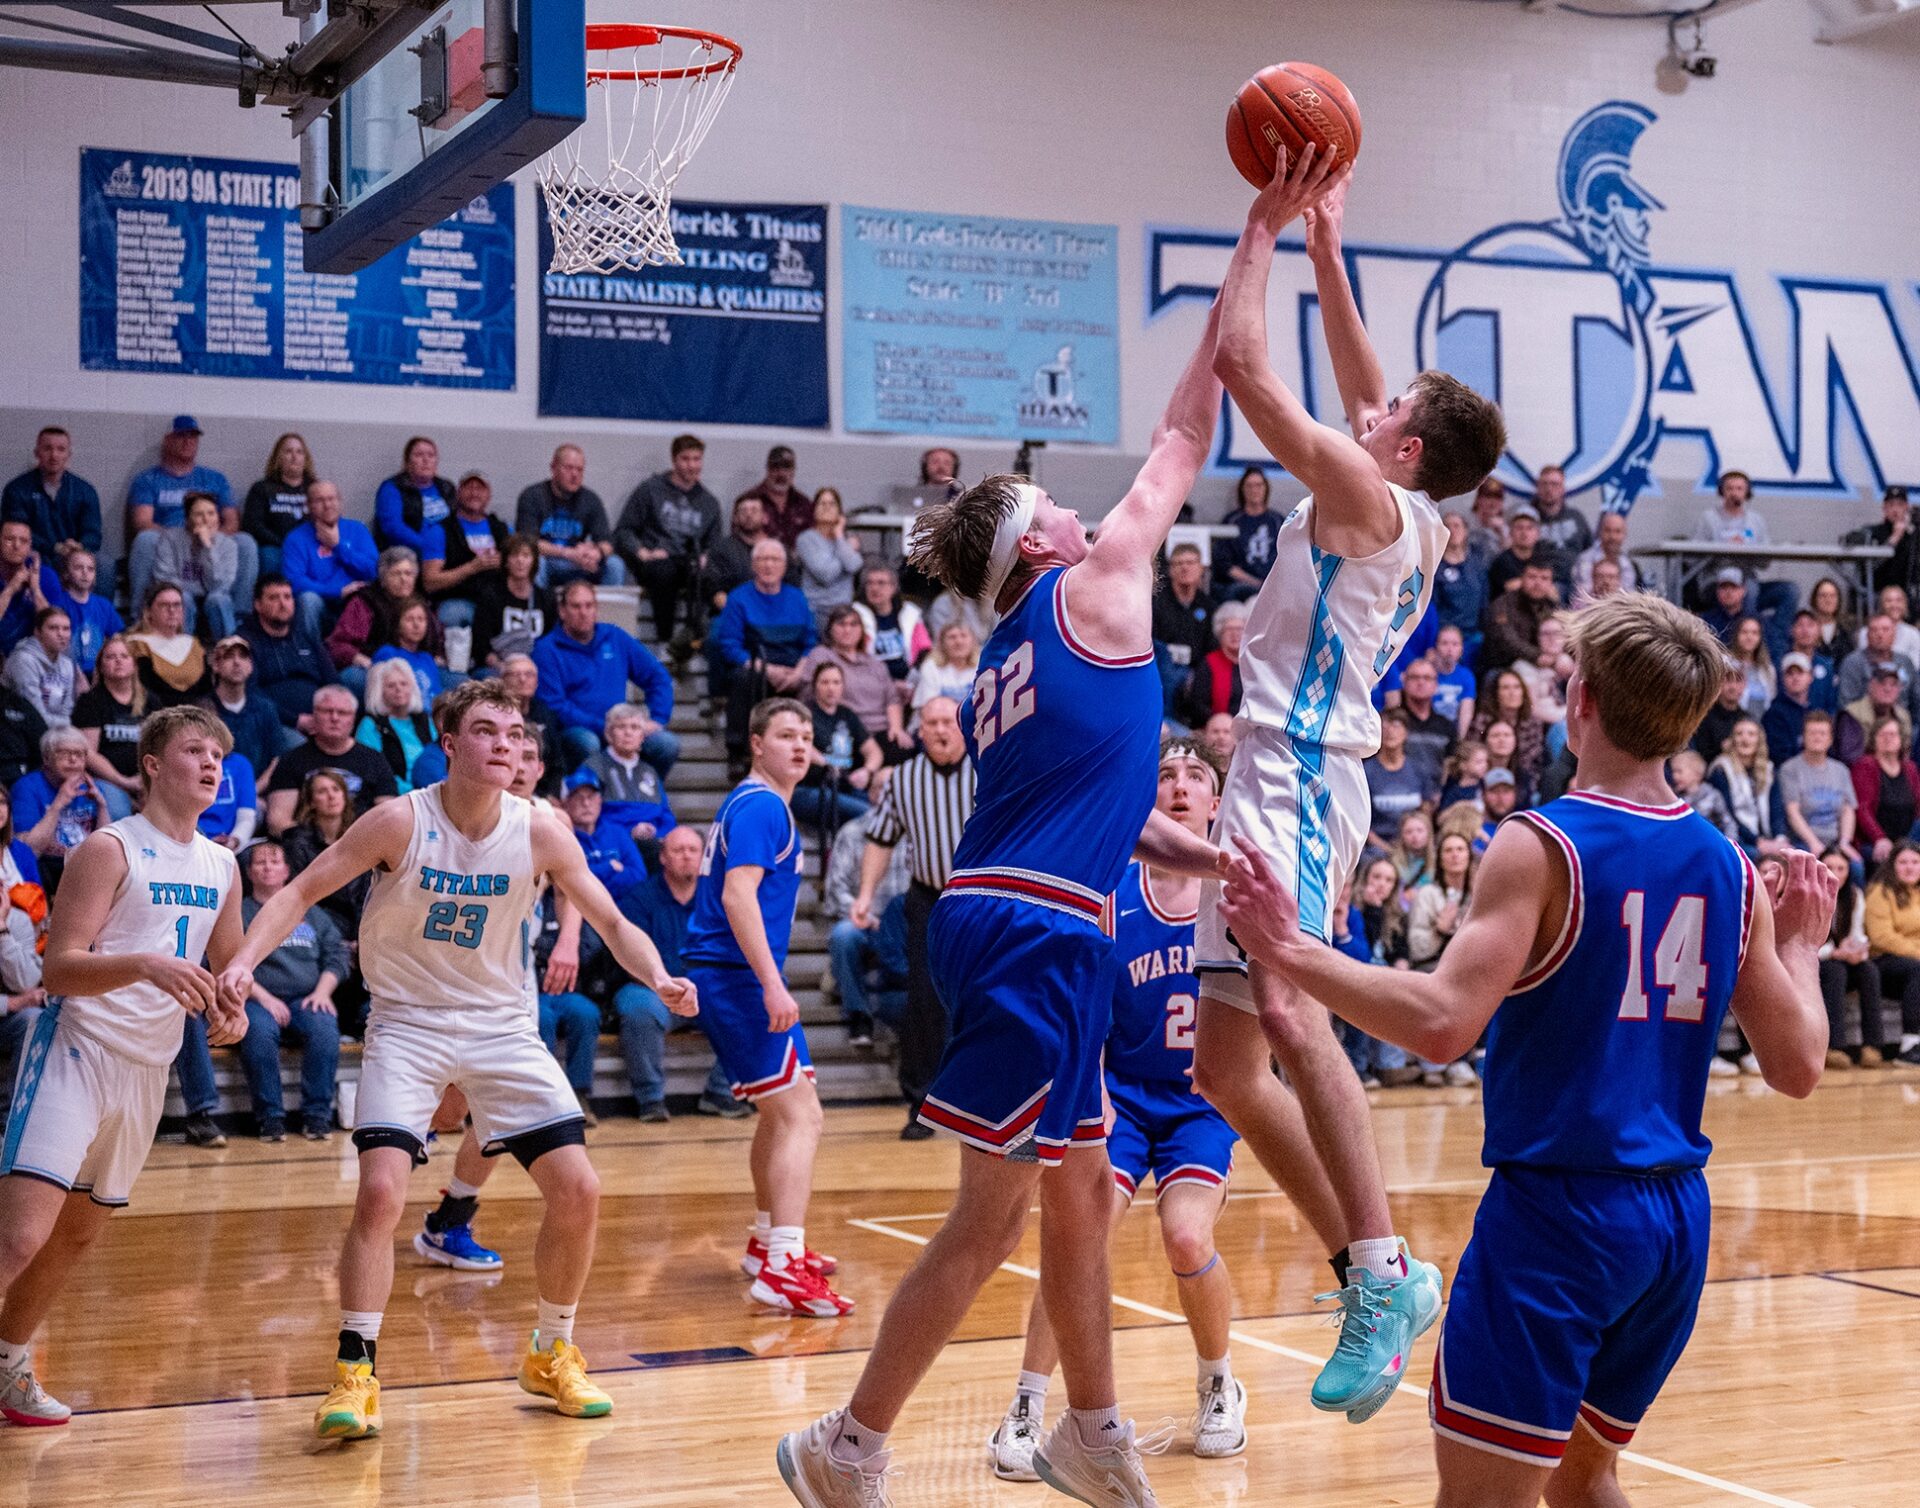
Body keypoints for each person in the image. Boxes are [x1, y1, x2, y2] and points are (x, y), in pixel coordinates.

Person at [1217, 589, 1831, 1508]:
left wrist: (1291, 948)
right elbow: (1799, 1068)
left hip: (1557, 1221)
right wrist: (1801, 949)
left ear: (1579, 701)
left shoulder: (1539, 844)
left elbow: (1439, 1024)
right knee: (1585, 1484)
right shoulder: (1730, 866)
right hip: (1673, 1228)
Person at [777, 272, 1227, 1507]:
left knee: (1082, 1187)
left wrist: (1203, 855)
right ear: (1037, 542)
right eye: (1062, 508)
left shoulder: (999, 671)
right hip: (1035, 930)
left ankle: (1090, 1424)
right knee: (995, 1214)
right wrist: (1256, 240)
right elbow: (1186, 432)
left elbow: (1108, 812)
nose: (1091, 514)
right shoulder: (1096, 588)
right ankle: (845, 1443)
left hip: (1028, 910)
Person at [1183, 149, 1505, 1429]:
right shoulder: (1407, 494)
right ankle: (1376, 1266)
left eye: (1384, 412)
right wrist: (1327, 246)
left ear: (1403, 447)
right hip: (1279, 764)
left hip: (1300, 776)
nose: (1362, 405)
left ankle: (1379, 1265)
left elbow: (1248, 371)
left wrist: (1259, 231)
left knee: (1286, 995)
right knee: (1222, 1063)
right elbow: (1369, 378)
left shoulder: (1367, 489)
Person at [218, 678, 695, 1439]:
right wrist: (242, 962)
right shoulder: (398, 822)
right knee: (379, 1192)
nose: (504, 745)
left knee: (579, 1189)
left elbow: (606, 917)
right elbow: (300, 890)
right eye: (486, 731)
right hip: (408, 1023)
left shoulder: (539, 828)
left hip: (502, 1025)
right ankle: (355, 1369)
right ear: (449, 741)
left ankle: (552, 1351)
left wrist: (659, 974)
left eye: (514, 734)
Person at [986, 739, 1247, 1480]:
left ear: (1218, 801)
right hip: (1123, 1095)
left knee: (1188, 1239)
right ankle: (1030, 1402)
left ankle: (1219, 1382)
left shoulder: (1231, 896)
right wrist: (1089, 1086)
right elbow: (1079, 999)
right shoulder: (1111, 888)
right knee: (1081, 1233)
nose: (1179, 785)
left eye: (1197, 775)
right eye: (1165, 775)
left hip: (1202, 1102)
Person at [0, 705, 245, 1426]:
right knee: (19, 1235)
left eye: (219, 758)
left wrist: (230, 1010)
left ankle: (10, 1364)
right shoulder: (110, 848)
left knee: (77, 1235)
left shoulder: (222, 863)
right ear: (152, 765)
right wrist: (143, 964)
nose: (210, 765)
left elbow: (227, 973)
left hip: (147, 1069)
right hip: (76, 1049)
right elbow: (60, 968)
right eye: (195, 751)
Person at [685, 698, 854, 1318]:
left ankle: (767, 1243)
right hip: (737, 976)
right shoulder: (760, 805)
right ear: (757, 742)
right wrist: (770, 983)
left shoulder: (758, 802)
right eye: (786, 735)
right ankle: (781, 1266)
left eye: (807, 736)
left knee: (782, 1109)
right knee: (801, 1118)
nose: (800, 745)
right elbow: (737, 896)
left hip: (738, 974)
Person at [849, 695, 974, 1137]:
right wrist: (864, 895)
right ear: (919, 731)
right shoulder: (902, 779)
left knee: (990, 999)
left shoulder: (991, 771)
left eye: (948, 722)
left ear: (964, 727)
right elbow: (881, 839)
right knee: (924, 1002)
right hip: (928, 900)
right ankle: (921, 1105)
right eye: (932, 723)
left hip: (984, 901)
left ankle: (988, 1102)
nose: (941, 730)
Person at [608, 823, 734, 1120]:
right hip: (650, 987)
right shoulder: (639, 898)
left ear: (703, 857)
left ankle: (721, 1093)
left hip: (705, 990)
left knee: (751, 1005)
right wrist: (662, 984)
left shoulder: (719, 900)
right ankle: (650, 1100)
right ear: (663, 857)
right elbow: (626, 954)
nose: (686, 856)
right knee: (639, 1009)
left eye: (693, 850)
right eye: (678, 850)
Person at [234, 839, 347, 1141]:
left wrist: (323, 992)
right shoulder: (239, 913)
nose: (268, 866)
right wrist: (264, 998)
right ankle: (270, 1118)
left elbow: (337, 955)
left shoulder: (312, 913)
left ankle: (317, 1116)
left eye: (274, 860)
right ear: (249, 872)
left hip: (306, 997)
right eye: (260, 862)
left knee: (324, 1028)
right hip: (256, 998)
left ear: (287, 870)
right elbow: (227, 961)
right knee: (257, 1031)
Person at [531, 578, 677, 773]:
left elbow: (657, 677)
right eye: (576, 607)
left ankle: (645, 797)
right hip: (577, 730)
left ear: (596, 608)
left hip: (620, 727)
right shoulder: (546, 649)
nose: (583, 613)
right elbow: (555, 706)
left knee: (666, 744)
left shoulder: (615, 636)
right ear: (562, 611)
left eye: (589, 605)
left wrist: (657, 718)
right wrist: (607, 728)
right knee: (587, 743)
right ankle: (589, 799)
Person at [711, 540, 816, 769]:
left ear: (785, 565)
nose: (769, 565)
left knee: (820, 681)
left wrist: (799, 672)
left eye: (775, 559)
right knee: (742, 680)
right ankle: (738, 753)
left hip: (792, 664)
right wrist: (766, 670)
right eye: (762, 559)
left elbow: (810, 642)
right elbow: (729, 645)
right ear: (753, 565)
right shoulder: (739, 598)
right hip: (755, 663)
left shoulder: (797, 598)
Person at [124, 416, 244, 616]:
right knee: (146, 539)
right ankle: (139, 615)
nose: (188, 441)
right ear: (168, 440)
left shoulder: (214, 478)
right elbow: (142, 522)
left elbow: (232, 522)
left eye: (193, 437)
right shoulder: (148, 479)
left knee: (245, 542)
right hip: (171, 542)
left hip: (210, 536)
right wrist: (183, 536)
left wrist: (210, 537)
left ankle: (240, 616)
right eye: (181, 436)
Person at [614, 434, 722, 649]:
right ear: (674, 460)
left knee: (709, 575)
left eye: (696, 459)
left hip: (688, 561)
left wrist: (706, 557)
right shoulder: (650, 489)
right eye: (685, 459)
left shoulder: (709, 502)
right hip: (657, 559)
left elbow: (714, 544)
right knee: (663, 570)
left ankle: (694, 638)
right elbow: (623, 531)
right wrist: (642, 552)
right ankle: (664, 640)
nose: (692, 465)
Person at [823, 807, 910, 1051]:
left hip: (906, 921)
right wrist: (865, 914)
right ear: (870, 795)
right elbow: (835, 891)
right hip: (864, 920)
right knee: (843, 935)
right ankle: (859, 1015)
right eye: (880, 788)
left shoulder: (918, 831)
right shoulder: (851, 832)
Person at [264, 685, 400, 834]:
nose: (334, 718)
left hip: (361, 843)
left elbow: (389, 816)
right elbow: (278, 822)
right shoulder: (291, 760)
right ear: (314, 715)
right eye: (327, 711)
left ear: (353, 719)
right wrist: (315, 843)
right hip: (307, 849)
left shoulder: (374, 760)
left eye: (342, 713)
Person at [1695, 469, 1798, 660]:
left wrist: (1749, 549)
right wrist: (1722, 548)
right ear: (1721, 491)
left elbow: (1765, 562)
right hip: (1716, 582)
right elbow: (1693, 556)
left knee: (1789, 591)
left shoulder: (1755, 520)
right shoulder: (1709, 518)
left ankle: (1776, 644)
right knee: (1748, 591)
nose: (1734, 492)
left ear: (1747, 492)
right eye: (1730, 488)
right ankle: (1741, 648)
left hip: (1748, 579)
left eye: (1739, 488)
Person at [1406, 831, 1482, 1088]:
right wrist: (1439, 929)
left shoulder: (1481, 893)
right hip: (1435, 964)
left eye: (1460, 849)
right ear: (1440, 858)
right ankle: (1448, 1062)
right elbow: (1416, 946)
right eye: (1448, 850)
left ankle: (1475, 1057)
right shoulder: (1428, 894)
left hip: (1476, 965)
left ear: (1469, 856)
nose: (1455, 855)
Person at [791, 606, 910, 762]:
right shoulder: (821, 655)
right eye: (841, 624)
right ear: (830, 629)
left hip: (880, 729)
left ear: (862, 630)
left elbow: (892, 698)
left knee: (903, 750)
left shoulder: (875, 663)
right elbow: (808, 695)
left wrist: (896, 728)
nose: (847, 630)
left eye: (853, 624)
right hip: (842, 728)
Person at [239, 573, 337, 743]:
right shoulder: (246, 642)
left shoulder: (305, 635)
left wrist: (328, 714)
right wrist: (296, 720)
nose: (283, 604)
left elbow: (332, 680)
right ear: (258, 605)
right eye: (274, 598)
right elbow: (250, 692)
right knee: (298, 746)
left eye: (287, 597)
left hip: (320, 718)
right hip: (276, 723)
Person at [327, 546, 430, 702]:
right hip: (375, 666)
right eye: (397, 573)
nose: (404, 579)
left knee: (454, 679)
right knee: (353, 677)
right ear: (383, 578)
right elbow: (338, 644)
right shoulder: (365, 602)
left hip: (417, 666)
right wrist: (359, 659)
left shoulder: (419, 603)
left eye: (408, 573)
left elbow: (435, 638)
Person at [517, 444, 624, 590]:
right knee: (535, 562)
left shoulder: (590, 499)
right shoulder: (532, 496)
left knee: (615, 565)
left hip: (580, 562)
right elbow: (528, 542)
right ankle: (538, 611)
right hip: (549, 561)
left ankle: (607, 613)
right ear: (553, 468)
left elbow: (608, 542)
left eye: (579, 469)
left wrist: (596, 553)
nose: (575, 474)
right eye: (568, 468)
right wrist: (567, 553)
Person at [1816, 846, 1886, 1069]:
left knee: (1868, 970)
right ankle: (1834, 1046)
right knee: (1835, 970)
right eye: (1830, 866)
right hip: (1814, 963)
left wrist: (1858, 951)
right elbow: (1802, 945)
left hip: (1842, 959)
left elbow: (1857, 934)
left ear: (1849, 871)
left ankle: (1872, 1046)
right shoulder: (1808, 895)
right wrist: (1834, 952)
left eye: (1842, 867)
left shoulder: (1854, 894)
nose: (1836, 872)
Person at [282, 480, 378, 641]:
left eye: (331, 499)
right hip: (321, 604)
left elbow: (373, 570)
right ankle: (308, 655)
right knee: (308, 599)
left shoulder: (357, 529)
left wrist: (338, 546)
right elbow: (294, 581)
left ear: (340, 502)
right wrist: (336, 591)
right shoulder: (296, 538)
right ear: (309, 506)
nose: (327, 505)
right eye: (320, 500)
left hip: (355, 604)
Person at [3, 426, 103, 579]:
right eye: (47, 449)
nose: (54, 455)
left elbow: (93, 533)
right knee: (41, 565)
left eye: (61, 449)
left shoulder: (85, 490)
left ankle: (91, 604)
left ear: (68, 455)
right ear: (37, 453)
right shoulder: (17, 489)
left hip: (76, 554)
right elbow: (17, 532)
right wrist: (55, 548)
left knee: (105, 566)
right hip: (36, 552)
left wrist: (80, 547)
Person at [795, 663, 882, 830]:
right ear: (815, 686)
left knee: (886, 810)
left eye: (836, 682)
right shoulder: (804, 714)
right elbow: (801, 744)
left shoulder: (847, 715)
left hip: (844, 787)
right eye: (825, 682)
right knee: (870, 813)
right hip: (811, 789)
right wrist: (826, 764)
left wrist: (867, 771)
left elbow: (874, 751)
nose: (831, 688)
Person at [12, 726, 106, 877]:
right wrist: (58, 804)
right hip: (47, 868)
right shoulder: (27, 787)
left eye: (79, 754)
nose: (73, 759)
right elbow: (29, 851)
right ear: (47, 758)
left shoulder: (92, 787)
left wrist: (102, 806)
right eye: (64, 753)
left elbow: (104, 848)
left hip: (85, 866)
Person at [422, 472, 510, 628]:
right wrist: (472, 568)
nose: (474, 493)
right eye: (469, 488)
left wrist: (505, 564)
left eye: (480, 488)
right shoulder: (440, 530)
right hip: (459, 600)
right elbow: (430, 582)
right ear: (458, 493)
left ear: (489, 495)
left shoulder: (502, 529)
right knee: (453, 615)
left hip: (497, 600)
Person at [152, 491, 243, 638]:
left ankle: (228, 650)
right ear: (188, 519)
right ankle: (179, 651)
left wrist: (208, 547)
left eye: (211, 513)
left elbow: (220, 586)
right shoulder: (169, 539)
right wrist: (194, 590)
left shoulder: (228, 545)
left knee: (218, 599)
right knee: (182, 598)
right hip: (184, 597)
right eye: (199, 514)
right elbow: (165, 580)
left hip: (213, 598)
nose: (206, 519)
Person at [72, 634, 142, 821]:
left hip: (145, 779)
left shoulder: (150, 701)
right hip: (106, 780)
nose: (118, 661)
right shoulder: (90, 702)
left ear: (134, 665)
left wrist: (146, 781)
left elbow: (162, 748)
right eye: (110, 657)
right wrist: (124, 782)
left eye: (124, 656)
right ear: (101, 667)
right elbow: (88, 752)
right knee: (118, 813)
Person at [1863, 841, 1920, 1066]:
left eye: (1915, 862)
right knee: (1917, 970)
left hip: (1913, 962)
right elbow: (1881, 937)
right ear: (1892, 865)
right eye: (1903, 862)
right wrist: (1918, 952)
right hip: (1883, 963)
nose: (1910, 867)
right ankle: (1909, 1046)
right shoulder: (1880, 892)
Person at [1779, 712, 1859, 864]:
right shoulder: (1789, 769)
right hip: (1803, 842)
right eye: (1812, 733)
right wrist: (1813, 843)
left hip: (1834, 842)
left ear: (1830, 739)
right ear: (1803, 737)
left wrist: (1845, 842)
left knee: (1856, 866)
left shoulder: (1841, 770)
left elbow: (1848, 810)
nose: (1817, 737)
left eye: (1822, 733)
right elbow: (1793, 812)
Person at [561, 766, 646, 904]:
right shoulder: (562, 838)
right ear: (566, 803)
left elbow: (639, 876)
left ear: (600, 800)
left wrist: (592, 877)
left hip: (623, 908)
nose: (586, 803)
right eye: (578, 797)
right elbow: (568, 883)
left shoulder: (618, 833)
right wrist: (610, 867)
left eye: (591, 796)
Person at [1707, 714, 1785, 861]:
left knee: (1794, 855)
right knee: (1755, 856)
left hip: (1767, 837)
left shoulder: (1768, 769)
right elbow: (1727, 815)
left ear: (1759, 740)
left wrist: (1779, 839)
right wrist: (1758, 841)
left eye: (1751, 734)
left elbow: (1777, 809)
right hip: (1736, 838)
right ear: (1732, 739)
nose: (1745, 739)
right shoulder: (1720, 770)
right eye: (1739, 734)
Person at [470, 534, 553, 671]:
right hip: (499, 666)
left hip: (537, 666)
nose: (520, 560)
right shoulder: (491, 597)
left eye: (526, 556)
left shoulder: (546, 598)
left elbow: (551, 640)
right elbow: (481, 646)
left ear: (534, 561)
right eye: (515, 555)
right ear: (506, 561)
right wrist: (503, 667)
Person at [1152, 540, 1218, 706]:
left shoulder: (1208, 605)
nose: (1185, 568)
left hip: (1198, 668)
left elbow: (1212, 646)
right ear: (1170, 570)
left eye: (1190, 563)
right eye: (1179, 563)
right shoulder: (1156, 603)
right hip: (1162, 667)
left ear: (1201, 568)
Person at [356, 658, 435, 794]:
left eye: (404, 684)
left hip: (431, 789)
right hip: (396, 796)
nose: (398, 689)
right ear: (379, 691)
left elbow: (439, 757)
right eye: (391, 685)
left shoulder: (425, 720)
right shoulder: (371, 725)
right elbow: (374, 771)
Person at [41, 549, 121, 679]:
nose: (85, 573)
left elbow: (116, 637)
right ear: (66, 573)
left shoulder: (103, 604)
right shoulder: (59, 603)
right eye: (78, 568)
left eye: (90, 569)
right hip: (65, 671)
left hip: (99, 672)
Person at [241, 432, 314, 574]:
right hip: (275, 547)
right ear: (278, 458)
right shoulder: (262, 488)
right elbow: (253, 525)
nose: (294, 457)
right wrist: (284, 543)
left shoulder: (315, 489)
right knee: (270, 556)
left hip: (308, 546)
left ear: (305, 459)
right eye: (288, 451)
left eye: (299, 452)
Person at [1851, 716, 1918, 867]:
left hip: (1909, 837)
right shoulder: (1865, 766)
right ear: (1874, 740)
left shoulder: (1910, 768)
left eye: (1893, 734)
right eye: (1882, 734)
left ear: (1901, 740)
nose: (1888, 739)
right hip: (1873, 841)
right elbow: (1862, 809)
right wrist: (1879, 838)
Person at [372, 436, 454, 560]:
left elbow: (458, 521)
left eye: (431, 455)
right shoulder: (392, 487)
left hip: (445, 552)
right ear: (407, 462)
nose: (425, 460)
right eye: (419, 455)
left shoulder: (446, 487)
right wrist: (427, 546)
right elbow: (393, 528)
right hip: (408, 555)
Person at [1364, 708, 1436, 845]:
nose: (1390, 731)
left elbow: (1426, 816)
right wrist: (1387, 850)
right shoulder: (1367, 771)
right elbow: (1362, 822)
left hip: (1414, 844)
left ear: (1406, 732)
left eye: (1396, 726)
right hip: (1377, 846)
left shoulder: (1419, 769)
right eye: (1384, 727)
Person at [793, 487, 864, 626]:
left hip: (844, 612)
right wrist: (847, 548)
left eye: (832, 504)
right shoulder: (806, 539)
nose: (827, 507)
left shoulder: (845, 538)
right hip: (816, 611)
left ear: (839, 510)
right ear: (814, 510)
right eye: (822, 503)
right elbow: (825, 574)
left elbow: (854, 566)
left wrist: (838, 536)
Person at [1211, 464, 1281, 602]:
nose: (1254, 490)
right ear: (1242, 489)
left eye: (1259, 485)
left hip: (1272, 584)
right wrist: (1254, 582)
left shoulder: (1277, 521)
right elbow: (1224, 564)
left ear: (1266, 488)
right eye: (1249, 486)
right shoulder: (1232, 521)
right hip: (1241, 586)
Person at [1481, 556, 1560, 671]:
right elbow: (1507, 639)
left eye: (1544, 578)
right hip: (1505, 666)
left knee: (1566, 663)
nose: (1538, 583)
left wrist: (1556, 657)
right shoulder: (1503, 604)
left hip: (1543, 661)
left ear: (1551, 583)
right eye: (1532, 577)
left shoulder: (1552, 606)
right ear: (1522, 578)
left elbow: (1563, 636)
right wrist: (1536, 655)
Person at [5, 607, 79, 730]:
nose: (61, 634)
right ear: (37, 632)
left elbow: (67, 710)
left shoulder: (67, 664)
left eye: (66, 629)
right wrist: (68, 726)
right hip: (16, 731)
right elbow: (34, 714)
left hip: (53, 731)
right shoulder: (23, 659)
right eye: (53, 628)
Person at [700, 494, 771, 617]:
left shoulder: (778, 550)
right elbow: (715, 590)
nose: (748, 515)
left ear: (765, 517)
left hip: (773, 616)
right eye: (743, 511)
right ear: (736, 518)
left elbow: (791, 587)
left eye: (754, 510)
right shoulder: (721, 549)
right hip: (733, 615)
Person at [1179, 598, 1247, 727]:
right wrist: (1223, 723)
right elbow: (1197, 705)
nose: (1235, 634)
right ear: (1220, 633)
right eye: (1229, 629)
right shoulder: (1208, 664)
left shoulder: (1253, 665)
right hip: (1215, 729)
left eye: (1239, 629)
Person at [852, 564, 925, 683]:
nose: (874, 588)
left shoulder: (910, 614)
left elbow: (924, 650)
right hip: (869, 682)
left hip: (909, 682)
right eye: (869, 583)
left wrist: (910, 682)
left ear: (893, 587)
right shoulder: (856, 616)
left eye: (881, 583)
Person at [1837, 661, 1913, 767]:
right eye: (1882, 683)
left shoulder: (1903, 716)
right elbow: (1850, 757)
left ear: (1899, 689)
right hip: (1862, 772)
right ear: (1871, 685)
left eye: (1893, 684)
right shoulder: (1853, 713)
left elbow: (1905, 755)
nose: (1887, 689)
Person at [1395, 656, 1457, 785]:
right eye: (1415, 677)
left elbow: (1451, 768)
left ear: (1436, 685)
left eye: (1427, 678)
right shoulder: (1391, 722)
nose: (1421, 682)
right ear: (1404, 682)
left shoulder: (1446, 726)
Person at [740, 444, 815, 550]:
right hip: (759, 562)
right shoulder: (748, 500)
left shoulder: (804, 504)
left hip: (797, 564)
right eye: (775, 467)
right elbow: (738, 543)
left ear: (793, 471)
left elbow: (812, 543)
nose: (781, 473)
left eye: (786, 468)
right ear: (767, 469)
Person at [1486, 506, 1569, 601]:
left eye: (1529, 528)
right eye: (1519, 527)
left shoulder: (1547, 559)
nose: (1524, 533)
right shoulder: (1501, 563)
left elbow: (1556, 591)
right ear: (1510, 532)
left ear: (1538, 534)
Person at [909, 620, 979, 726]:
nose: (958, 641)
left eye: (963, 636)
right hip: (937, 727)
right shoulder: (931, 666)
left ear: (973, 641)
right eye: (952, 637)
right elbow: (930, 708)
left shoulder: (982, 666)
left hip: (972, 727)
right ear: (942, 643)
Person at [1432, 511, 1487, 646]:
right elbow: (1431, 607)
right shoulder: (1434, 567)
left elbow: (1484, 602)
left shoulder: (1477, 565)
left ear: (1466, 531)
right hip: (1443, 637)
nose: (1452, 530)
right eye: (1447, 526)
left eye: (1457, 526)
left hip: (1473, 636)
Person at [1669, 748, 1738, 841]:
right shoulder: (1674, 798)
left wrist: (1729, 843)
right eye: (1673, 771)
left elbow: (1728, 823)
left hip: (1712, 843)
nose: (1674, 776)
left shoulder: (1712, 795)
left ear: (1696, 774)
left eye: (1679, 771)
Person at [198, 743, 258, 850]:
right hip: (194, 841)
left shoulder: (239, 764)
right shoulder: (187, 764)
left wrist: (235, 841)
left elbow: (246, 817)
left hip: (232, 843)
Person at [1763, 652, 1816, 766]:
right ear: (1783, 678)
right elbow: (1779, 755)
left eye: (1800, 673)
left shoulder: (1814, 712)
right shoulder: (1774, 714)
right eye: (1790, 673)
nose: (1795, 678)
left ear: (1810, 677)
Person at [1572, 509, 1639, 597]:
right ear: (1600, 532)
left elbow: (1628, 595)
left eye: (1617, 531)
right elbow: (1583, 594)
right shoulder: (1585, 559)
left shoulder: (1627, 564)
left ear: (1624, 535)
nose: (1612, 536)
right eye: (1608, 530)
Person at [0, 520, 43, 654]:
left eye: (23, 541)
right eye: (9, 539)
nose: (16, 545)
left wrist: (36, 591)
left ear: (30, 546)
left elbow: (55, 629)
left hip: (31, 659)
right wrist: (10, 590)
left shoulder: (45, 575)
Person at [1528, 463, 1590, 556]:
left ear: (1563, 489)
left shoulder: (1576, 518)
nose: (1548, 489)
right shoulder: (1526, 518)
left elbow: (1590, 551)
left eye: (1554, 484)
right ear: (1537, 487)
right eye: (1544, 484)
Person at [1868, 486, 1917, 599]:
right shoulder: (1874, 533)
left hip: (1909, 595)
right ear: (1884, 508)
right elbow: (1871, 571)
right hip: (1880, 594)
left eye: (1900, 505)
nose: (1895, 510)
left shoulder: (1914, 536)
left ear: (1906, 507)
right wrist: (1894, 539)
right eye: (1891, 505)